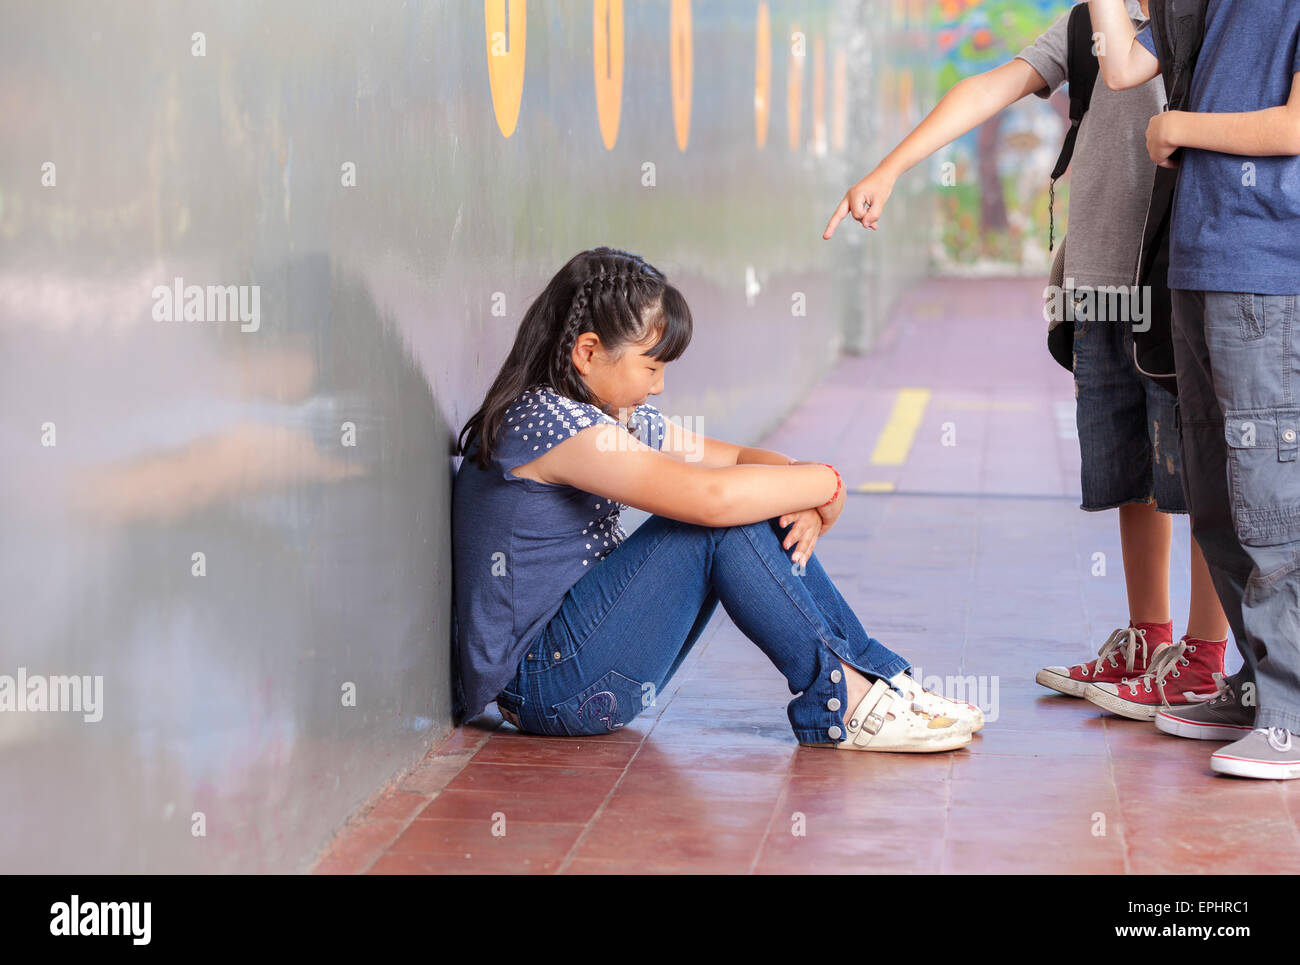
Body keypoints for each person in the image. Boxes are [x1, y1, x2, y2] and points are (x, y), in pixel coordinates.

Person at [823, 0, 1230, 722]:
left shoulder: (1194, 15)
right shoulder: (1086, 22)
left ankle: (1201, 660)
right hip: (1098, 287)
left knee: (1196, 474)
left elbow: (1149, 81)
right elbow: (989, 86)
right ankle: (1147, 637)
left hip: (1172, 277)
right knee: (1131, 473)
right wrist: (891, 167)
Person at [450, 246, 982, 753]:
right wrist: (824, 483)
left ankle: (870, 680)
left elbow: (741, 460)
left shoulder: (610, 416)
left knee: (741, 503)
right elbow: (711, 499)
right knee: (722, 516)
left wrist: (812, 490)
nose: (658, 387)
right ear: (587, 352)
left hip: (581, 666)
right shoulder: (549, 424)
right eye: (651, 367)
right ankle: (845, 700)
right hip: (547, 681)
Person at [1088, 0, 1300, 777]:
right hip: (1202, 258)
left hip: (1270, 267)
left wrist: (1178, 127)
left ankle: (1296, 708)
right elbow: (1121, 64)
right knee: (1219, 496)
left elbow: (1295, 126)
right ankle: (1257, 682)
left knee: (1274, 500)